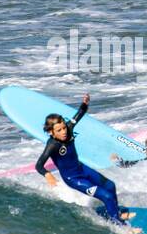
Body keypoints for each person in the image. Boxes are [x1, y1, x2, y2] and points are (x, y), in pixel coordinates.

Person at [37, 94, 133, 223]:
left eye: (64, 127)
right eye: (59, 130)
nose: (64, 132)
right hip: (73, 178)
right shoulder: (52, 145)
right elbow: (39, 165)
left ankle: (116, 214)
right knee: (106, 196)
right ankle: (120, 225)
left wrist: (85, 104)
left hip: (82, 169)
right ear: (51, 132)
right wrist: (47, 175)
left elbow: (80, 114)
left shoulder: (69, 130)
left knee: (110, 186)